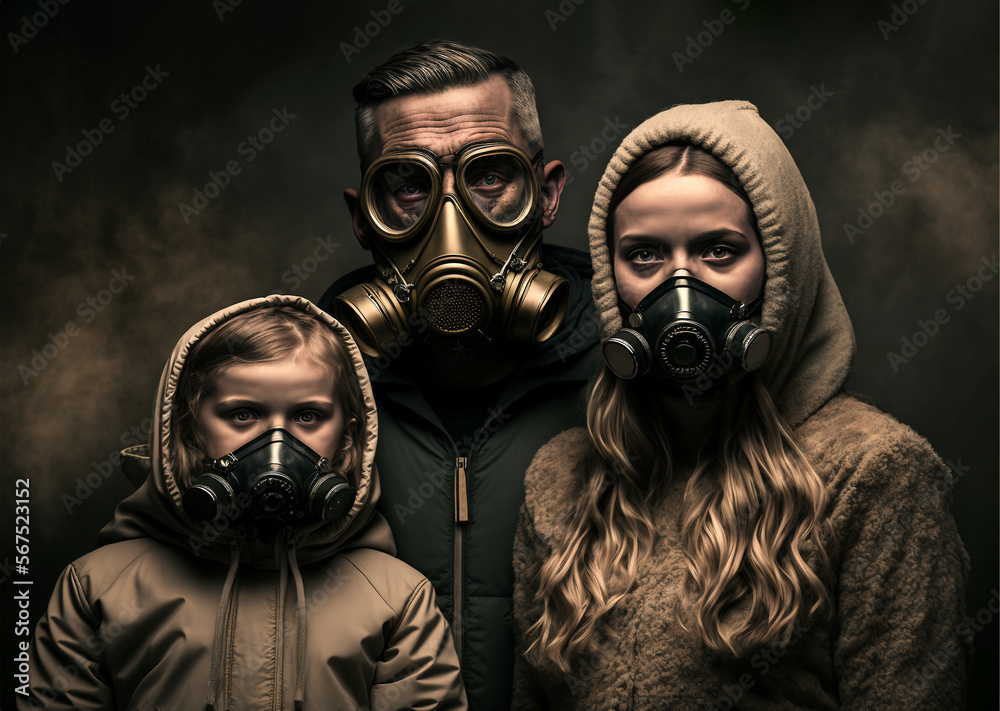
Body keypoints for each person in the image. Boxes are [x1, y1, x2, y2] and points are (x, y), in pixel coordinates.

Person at [512, 101, 971, 709]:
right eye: (644, 255)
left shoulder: (873, 474)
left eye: (719, 251)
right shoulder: (560, 478)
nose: (681, 291)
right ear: (609, 278)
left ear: (783, 268)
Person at [318, 41, 601, 710]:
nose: (452, 221)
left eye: (489, 175)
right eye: (409, 184)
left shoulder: (634, 381)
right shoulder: (305, 394)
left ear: (547, 192)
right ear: (364, 217)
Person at [19, 294, 467, 710]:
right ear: (192, 427)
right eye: (242, 414)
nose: (277, 444)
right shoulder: (97, 588)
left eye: (307, 416)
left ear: (348, 434)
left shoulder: (396, 598)